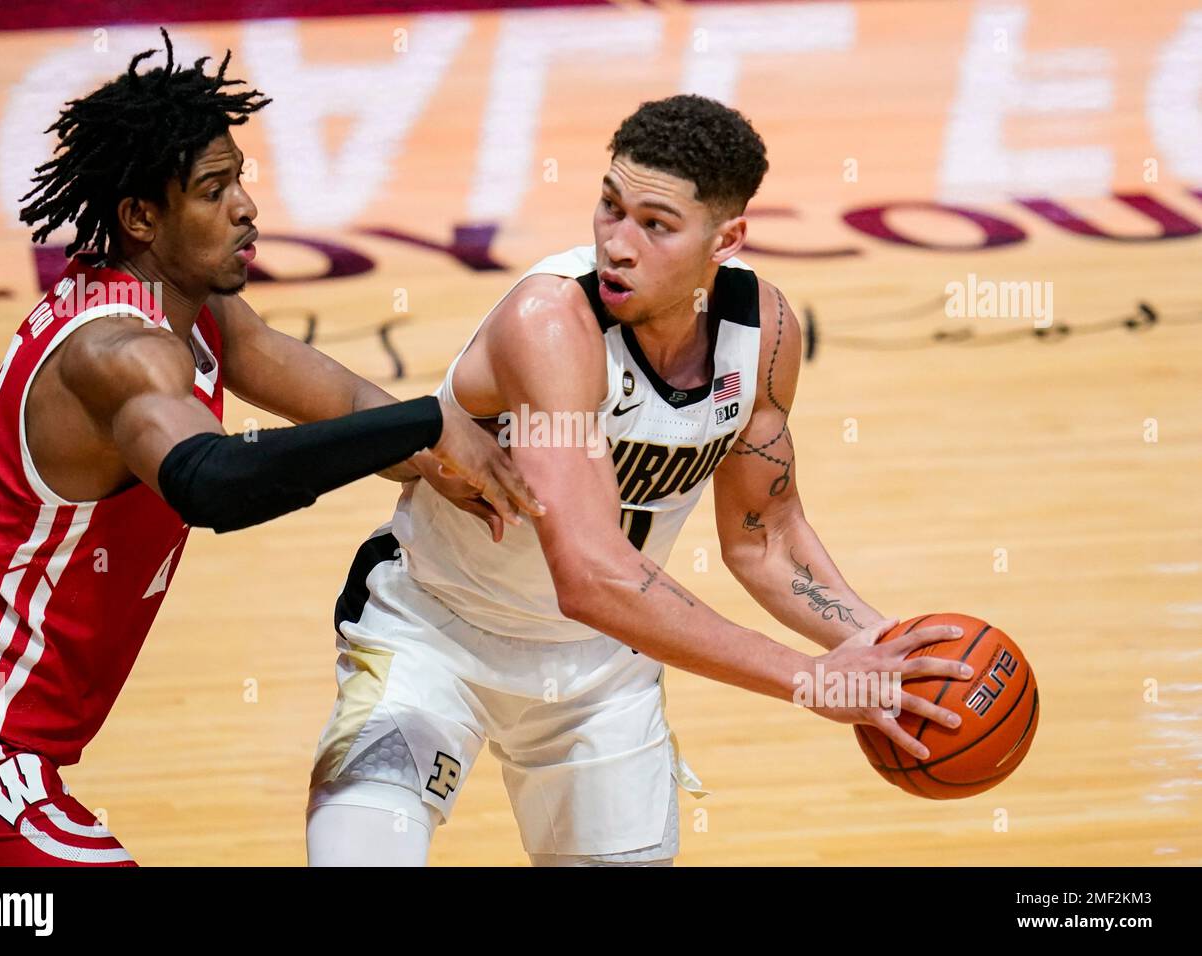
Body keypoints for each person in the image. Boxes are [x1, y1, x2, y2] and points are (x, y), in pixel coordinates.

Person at [0, 31, 540, 866]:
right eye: (213, 189)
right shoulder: (119, 356)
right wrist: (422, 423)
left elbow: (337, 400)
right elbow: (216, 486)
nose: (247, 206)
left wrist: (447, 452)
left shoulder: (193, 308)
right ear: (141, 216)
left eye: (240, 177)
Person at [306, 94, 971, 867]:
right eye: (610, 207)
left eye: (655, 226)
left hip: (597, 673)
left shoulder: (764, 332)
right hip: (435, 637)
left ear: (726, 239)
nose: (617, 244)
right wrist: (809, 679)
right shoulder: (551, 322)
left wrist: (887, 652)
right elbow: (588, 576)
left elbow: (766, 541)